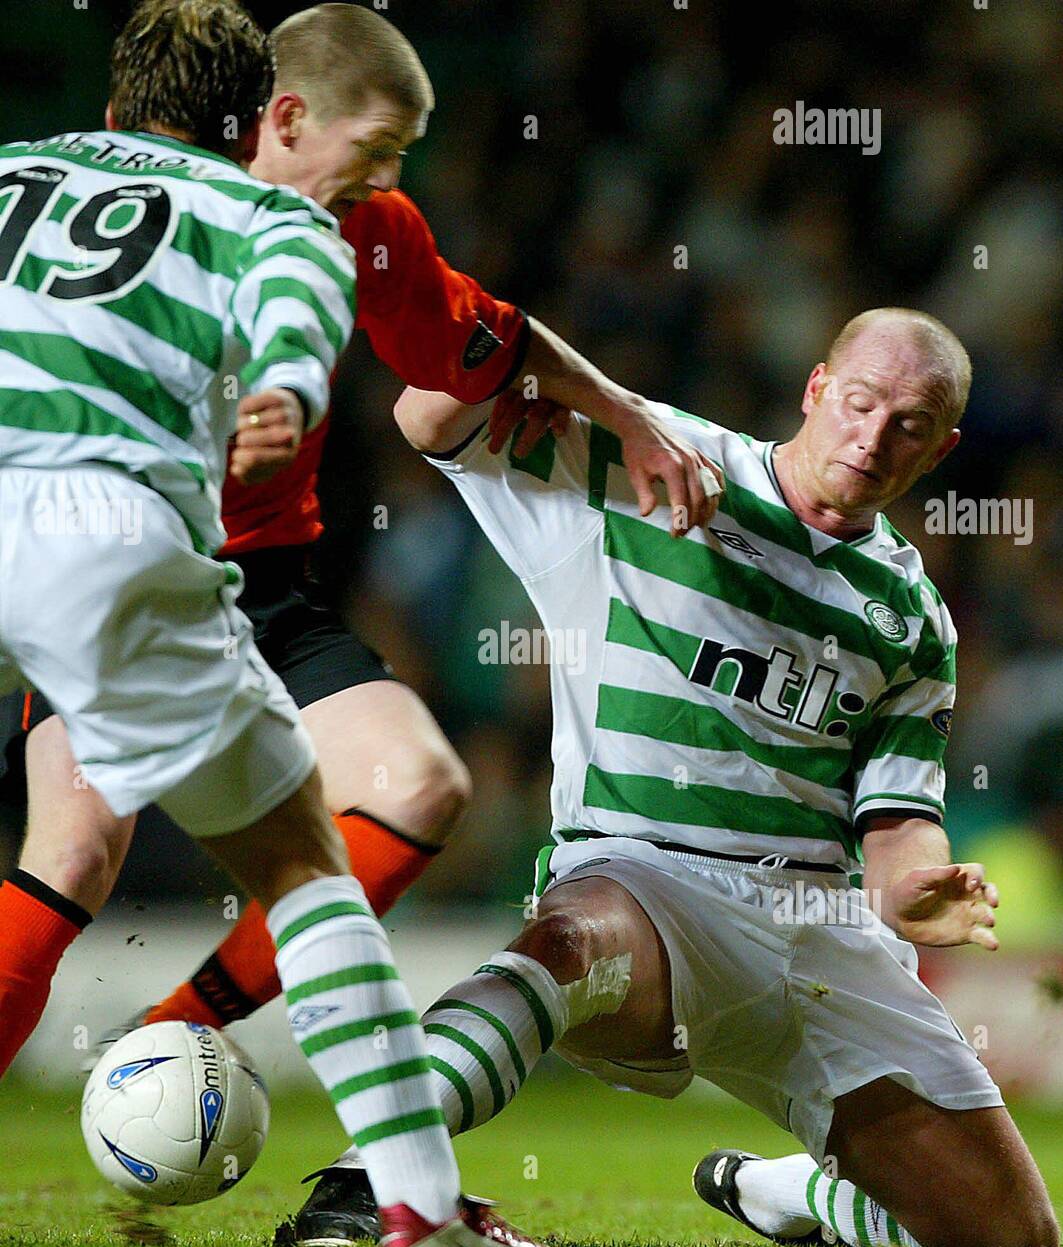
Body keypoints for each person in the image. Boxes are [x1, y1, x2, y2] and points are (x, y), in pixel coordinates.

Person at [0, 2, 721, 1074]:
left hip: (264, 589)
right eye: (374, 151)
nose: (385, 179)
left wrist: (623, 412)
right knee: (75, 852)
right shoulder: (166, 207)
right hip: (122, 567)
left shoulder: (369, 231)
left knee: (417, 784)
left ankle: (164, 1043)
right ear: (283, 118)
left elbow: (484, 336)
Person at [292, 306, 1058, 1247]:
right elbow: (426, 419)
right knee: (567, 944)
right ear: (816, 389)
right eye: (859, 404)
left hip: (821, 931)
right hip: (649, 881)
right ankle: (371, 1179)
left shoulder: (912, 616)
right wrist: (545, 363)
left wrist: (917, 887)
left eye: (906, 426)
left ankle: (798, 1199)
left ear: (938, 451)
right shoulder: (648, 458)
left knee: (1011, 1243)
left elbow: (898, 814)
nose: (871, 439)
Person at [0, 0, 556, 1247]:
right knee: (304, 862)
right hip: (108, 535)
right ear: (256, 121)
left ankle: (172, 1034)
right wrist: (288, 392)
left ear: (111, 107)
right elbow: (303, 324)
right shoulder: (265, 213)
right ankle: (416, 1208)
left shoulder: (15, 169)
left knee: (67, 856)